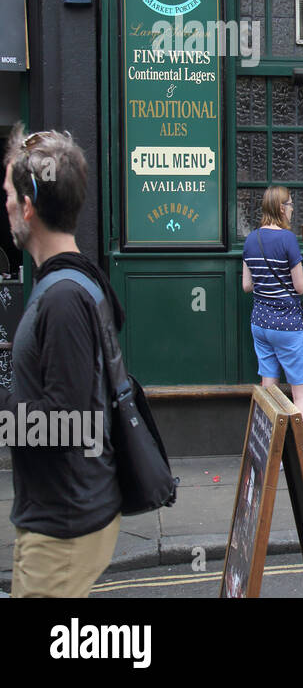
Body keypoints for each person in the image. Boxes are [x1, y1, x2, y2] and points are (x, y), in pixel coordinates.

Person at [3, 126, 121, 597]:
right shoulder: (74, 281)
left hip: (63, 527)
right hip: (57, 516)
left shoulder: (64, 297)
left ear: (28, 207)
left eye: (9, 194)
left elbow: (71, 423)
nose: (6, 204)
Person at [242, 185, 303, 478]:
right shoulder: (288, 240)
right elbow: (300, 287)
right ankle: (298, 460)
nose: (292, 209)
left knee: (269, 389)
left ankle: (268, 456)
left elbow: (246, 285)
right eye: (289, 205)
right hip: (287, 325)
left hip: (260, 324)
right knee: (300, 392)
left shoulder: (251, 239)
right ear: (279, 208)